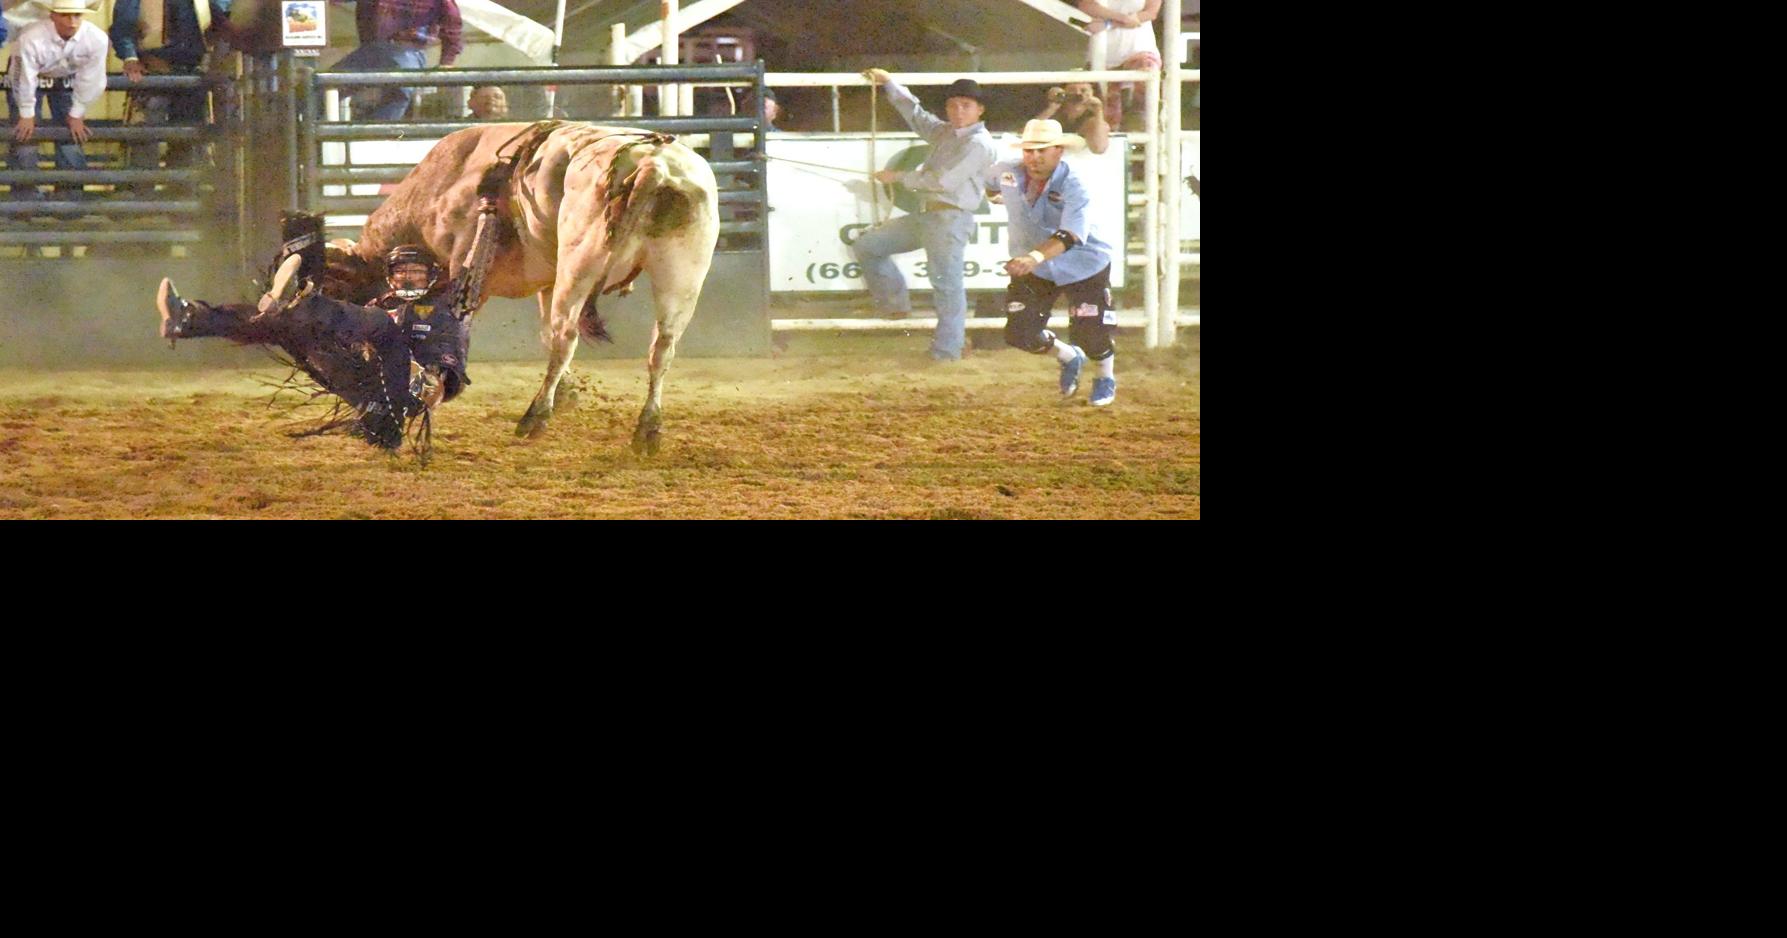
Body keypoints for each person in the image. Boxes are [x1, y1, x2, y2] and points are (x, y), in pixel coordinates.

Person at [156, 243, 473, 450]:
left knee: (375, 323)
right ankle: (190, 320)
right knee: (283, 323)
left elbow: (443, 367)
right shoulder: (386, 302)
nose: (406, 281)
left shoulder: (440, 313)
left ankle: (306, 304)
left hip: (395, 399)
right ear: (390, 277)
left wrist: (434, 386)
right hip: (368, 393)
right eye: (401, 273)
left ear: (431, 279)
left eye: (415, 275)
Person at [851, 69, 996, 362]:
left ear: (980, 110)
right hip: (929, 216)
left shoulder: (978, 144)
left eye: (965, 105)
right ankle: (895, 305)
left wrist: (899, 177)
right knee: (868, 246)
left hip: (949, 218)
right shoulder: (946, 133)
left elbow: (942, 181)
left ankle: (948, 350)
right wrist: (890, 84)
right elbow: (916, 114)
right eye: (953, 105)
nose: (958, 111)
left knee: (946, 285)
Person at [990, 120, 1119, 407]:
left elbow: (1071, 234)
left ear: (1058, 151)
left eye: (1042, 151)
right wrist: (1001, 197)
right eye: (1028, 151)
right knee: (1019, 332)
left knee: (1090, 332)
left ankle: (1105, 376)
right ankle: (1068, 356)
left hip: (1082, 264)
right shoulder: (1007, 172)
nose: (1034, 158)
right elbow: (989, 185)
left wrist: (1033, 256)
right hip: (1035, 265)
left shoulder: (1074, 183)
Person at [110, 1, 235, 199]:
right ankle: (145, 194)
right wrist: (130, 57)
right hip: (154, 70)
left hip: (192, 73)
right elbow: (122, 28)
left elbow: (223, 25)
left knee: (185, 136)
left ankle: (178, 195)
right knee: (148, 134)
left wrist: (216, 60)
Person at [5, 0, 108, 202]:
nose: (72, 22)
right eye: (65, 15)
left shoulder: (96, 39)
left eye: (77, 16)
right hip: (37, 76)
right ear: (52, 16)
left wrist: (77, 111)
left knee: (70, 135)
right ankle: (25, 199)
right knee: (25, 136)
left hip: (66, 78)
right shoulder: (31, 38)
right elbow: (23, 77)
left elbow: (92, 77)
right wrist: (26, 112)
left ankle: (68, 197)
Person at [336, 0, 463, 121]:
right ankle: (376, 132)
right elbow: (452, 24)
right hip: (382, 50)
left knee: (398, 93)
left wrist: (446, 62)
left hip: (402, 50)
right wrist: (447, 61)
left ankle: (377, 133)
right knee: (327, 87)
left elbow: (452, 23)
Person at [1078, 0, 1160, 129]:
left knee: (1145, 92)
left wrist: (1109, 23)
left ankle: (1145, 134)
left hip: (1138, 47)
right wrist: (1123, 19)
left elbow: (1151, 12)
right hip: (1105, 52)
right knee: (1107, 110)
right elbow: (1087, 5)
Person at [1036, 81, 1110, 154]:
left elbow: (1099, 148)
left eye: (1083, 90)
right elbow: (1026, 136)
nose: (1077, 94)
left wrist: (1098, 111)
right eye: (1072, 90)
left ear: (1092, 93)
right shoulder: (1055, 115)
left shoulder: (1092, 120)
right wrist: (1051, 108)